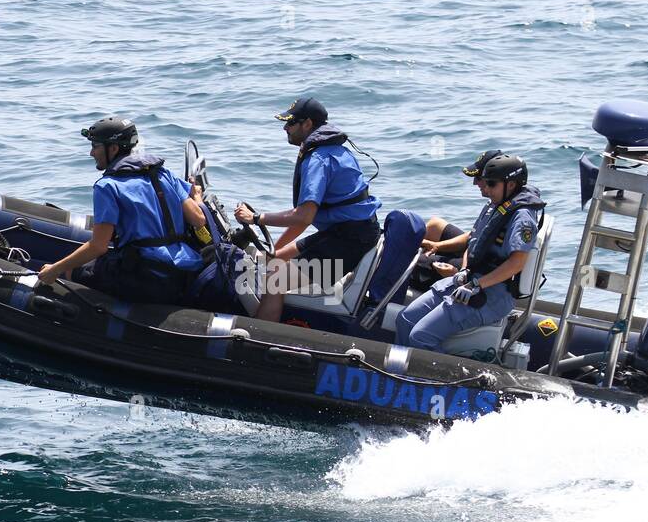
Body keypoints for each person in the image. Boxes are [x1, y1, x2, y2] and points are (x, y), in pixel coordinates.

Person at [233, 97, 380, 322]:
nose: (285, 128)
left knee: (276, 281)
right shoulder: (332, 149)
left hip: (348, 242)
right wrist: (275, 251)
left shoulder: (319, 159)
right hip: (345, 233)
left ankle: (258, 338)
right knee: (272, 261)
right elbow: (303, 221)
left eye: (290, 123)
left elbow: (303, 215)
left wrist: (255, 218)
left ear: (308, 124)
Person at [37, 116, 206, 304]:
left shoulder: (107, 187)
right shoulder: (161, 173)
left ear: (114, 148)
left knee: (72, 270)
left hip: (147, 278)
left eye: (95, 146)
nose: (91, 153)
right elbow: (199, 219)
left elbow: (98, 246)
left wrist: (56, 269)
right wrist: (197, 196)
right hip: (183, 273)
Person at [395, 151, 545, 352]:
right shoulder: (495, 207)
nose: (484, 187)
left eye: (491, 184)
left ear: (510, 185)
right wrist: (464, 271)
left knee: (421, 336)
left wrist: (477, 284)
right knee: (404, 319)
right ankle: (404, 375)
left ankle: (438, 381)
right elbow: (474, 242)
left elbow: (517, 263)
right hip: (468, 282)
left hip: (491, 293)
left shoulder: (522, 218)